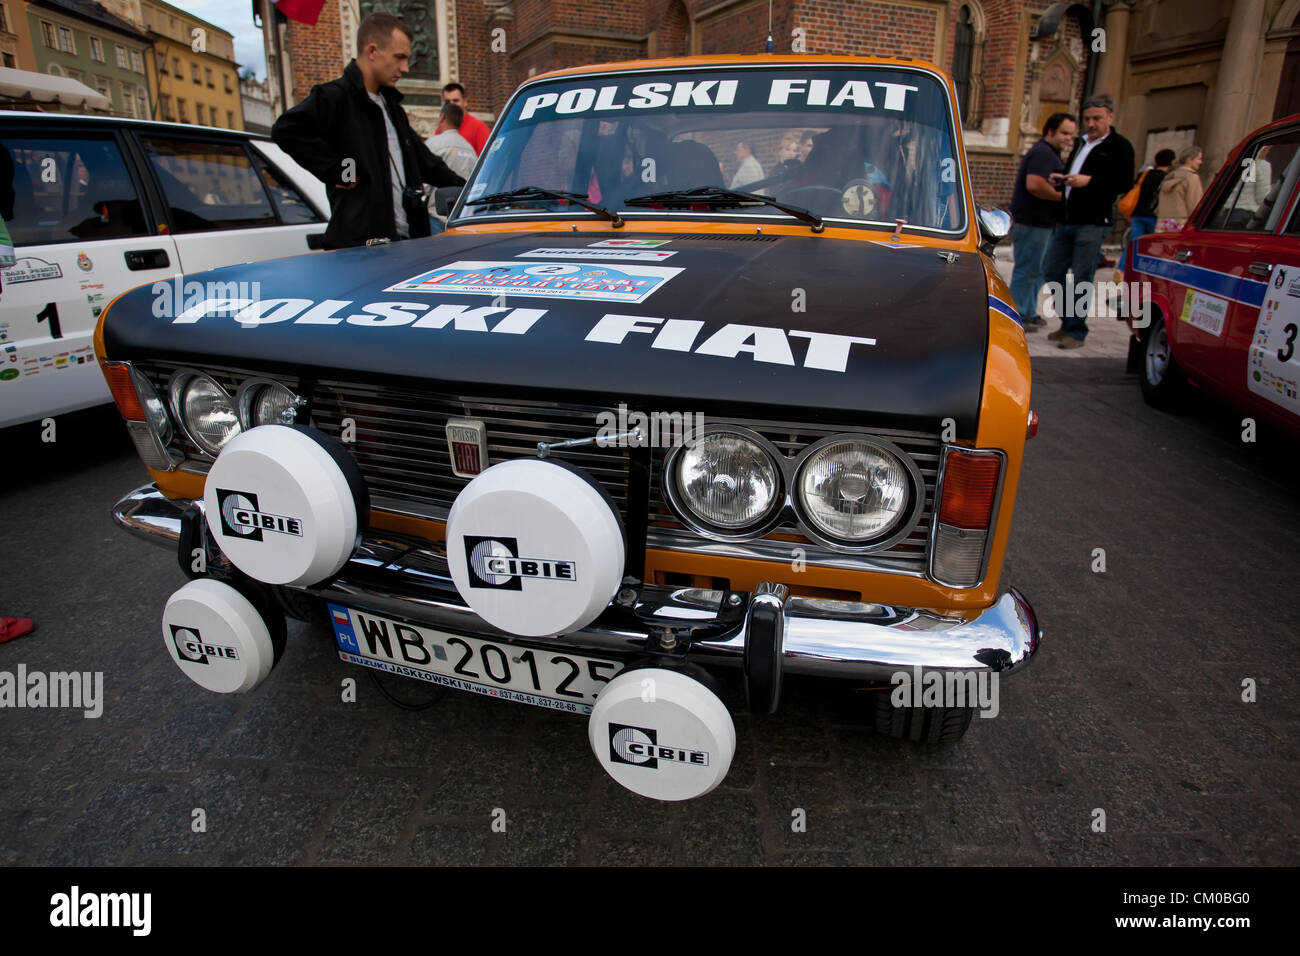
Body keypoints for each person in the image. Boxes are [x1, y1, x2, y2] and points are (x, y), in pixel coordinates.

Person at [271, 12, 464, 249]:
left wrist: (472, 188)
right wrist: (338, 170)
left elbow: (426, 163)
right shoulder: (335, 97)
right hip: (359, 247)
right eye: (399, 57)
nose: (405, 68)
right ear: (372, 51)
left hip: (406, 243)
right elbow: (286, 129)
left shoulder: (392, 108)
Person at [1041, 92, 1134, 348]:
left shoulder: (1120, 146)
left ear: (1110, 117)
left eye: (1097, 118)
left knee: (1082, 276)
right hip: (1067, 219)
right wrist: (1061, 178)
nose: (1091, 124)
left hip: (1093, 223)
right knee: (1052, 270)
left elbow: (1125, 182)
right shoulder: (1082, 143)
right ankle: (1067, 321)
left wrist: (1090, 181)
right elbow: (1073, 174)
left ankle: (1077, 331)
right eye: (1088, 119)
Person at [1008, 112, 1076, 331]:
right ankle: (1016, 313)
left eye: (1071, 135)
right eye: (1064, 133)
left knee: (1036, 270)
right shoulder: (1043, 154)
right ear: (1050, 131)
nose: (1068, 138)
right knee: (1027, 269)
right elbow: (1035, 185)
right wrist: (1063, 197)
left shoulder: (1049, 153)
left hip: (1041, 223)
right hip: (1032, 222)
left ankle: (1027, 310)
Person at [1115, 147, 1174, 281]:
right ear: (1170, 162)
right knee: (1154, 247)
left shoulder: (1145, 174)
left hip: (1138, 214)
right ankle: (1147, 274)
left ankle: (1121, 269)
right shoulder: (1166, 179)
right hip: (1154, 216)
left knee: (1133, 244)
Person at [1156, 145, 1204, 232]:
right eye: (1199, 159)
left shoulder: (1170, 175)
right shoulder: (1192, 177)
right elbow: (1194, 203)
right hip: (1181, 222)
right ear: (1189, 159)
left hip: (1162, 222)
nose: (1201, 162)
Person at [424, 102, 477, 180]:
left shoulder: (433, 144)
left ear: (442, 117)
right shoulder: (471, 150)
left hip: (438, 192)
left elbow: (424, 177)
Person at [441, 83, 490, 155]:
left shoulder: (479, 128)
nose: (451, 105)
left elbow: (486, 158)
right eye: (447, 102)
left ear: (465, 102)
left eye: (455, 100)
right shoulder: (440, 129)